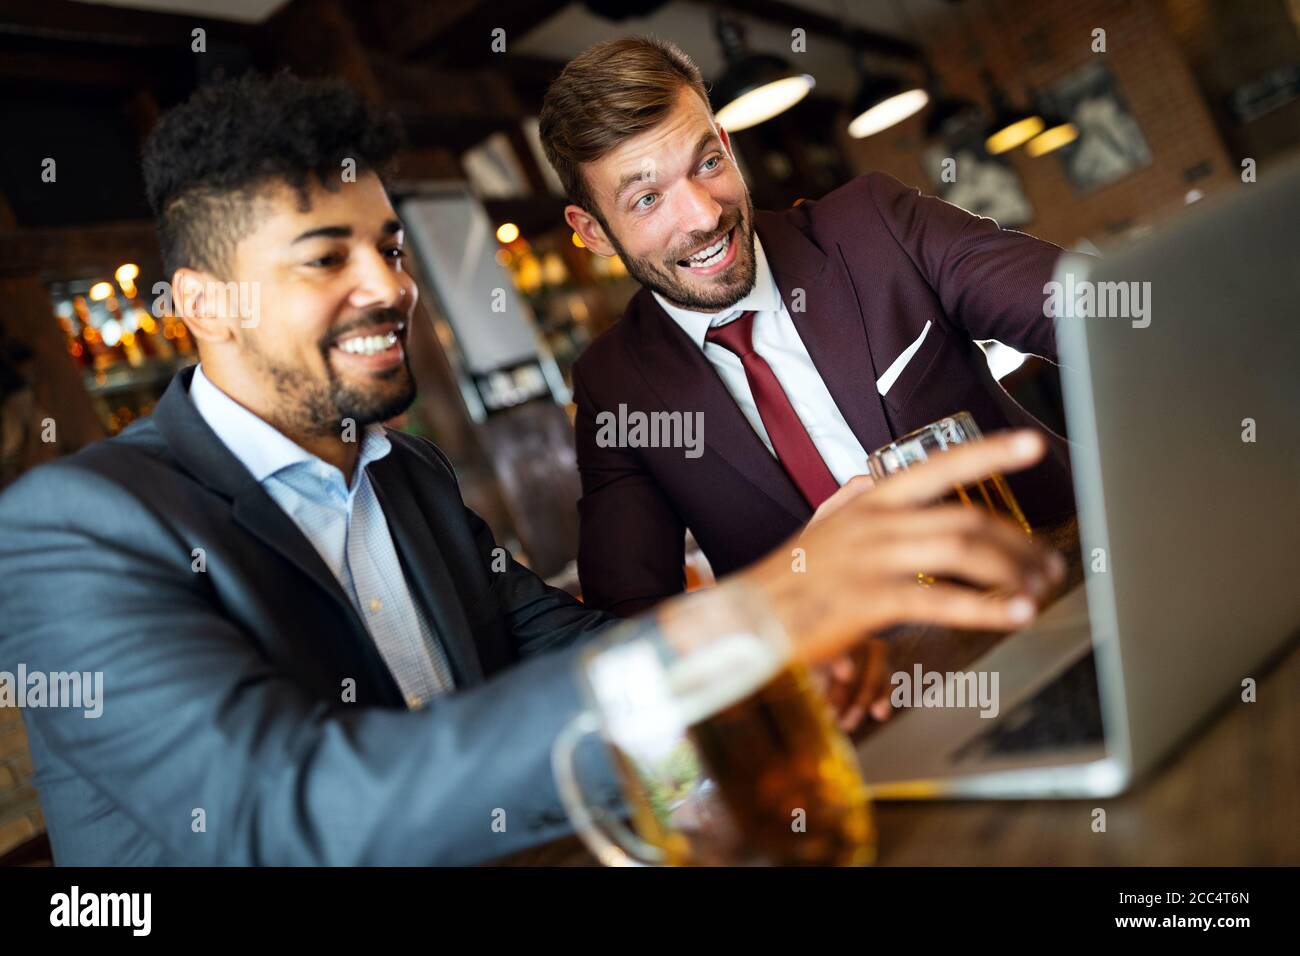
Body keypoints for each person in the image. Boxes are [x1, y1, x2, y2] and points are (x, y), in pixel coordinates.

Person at [0, 72, 1063, 866]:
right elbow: (287, 810)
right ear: (201, 305)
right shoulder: (75, 523)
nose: (388, 285)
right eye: (327, 256)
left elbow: (595, 643)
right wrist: (751, 622)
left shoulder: (407, 477)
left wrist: (774, 658)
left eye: (392, 247)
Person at [538, 36, 1078, 618]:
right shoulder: (614, 387)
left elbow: (1096, 313)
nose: (704, 215)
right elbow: (631, 628)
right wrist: (780, 591)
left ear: (727, 144)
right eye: (646, 199)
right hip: (860, 693)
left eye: (708, 163)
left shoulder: (874, 226)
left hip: (1059, 583)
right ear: (592, 231)